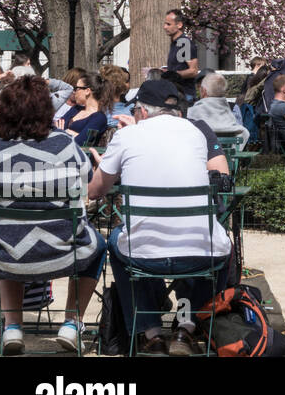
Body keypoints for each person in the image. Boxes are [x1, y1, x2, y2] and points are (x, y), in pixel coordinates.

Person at [87, 79, 231, 355]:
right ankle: (188, 328)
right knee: (218, 243)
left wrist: (101, 165)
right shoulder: (196, 132)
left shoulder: (126, 136)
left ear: (141, 111)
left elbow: (95, 192)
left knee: (117, 242)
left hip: (143, 254)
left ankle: (150, 333)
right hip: (202, 253)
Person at [0, 76, 107, 355]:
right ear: (47, 110)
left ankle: (13, 326)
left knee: (6, 234)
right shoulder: (65, 145)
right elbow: (88, 184)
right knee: (99, 245)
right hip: (63, 251)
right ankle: (72, 323)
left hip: (4, 253)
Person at [189, 72, 250, 148]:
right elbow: (245, 133)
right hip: (227, 157)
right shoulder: (230, 113)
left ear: (203, 91)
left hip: (201, 156)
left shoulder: (191, 113)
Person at [60, 72, 113, 147]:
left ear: (87, 91)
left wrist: (62, 133)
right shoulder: (75, 109)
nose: (74, 92)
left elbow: (80, 142)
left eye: (77, 88)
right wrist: (72, 134)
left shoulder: (99, 118)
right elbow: (55, 128)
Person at [162, 8, 199, 103]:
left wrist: (173, 75)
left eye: (168, 24)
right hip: (175, 94)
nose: (164, 27)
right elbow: (180, 67)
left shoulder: (184, 43)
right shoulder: (176, 43)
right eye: (165, 23)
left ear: (179, 25)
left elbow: (193, 71)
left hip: (185, 96)